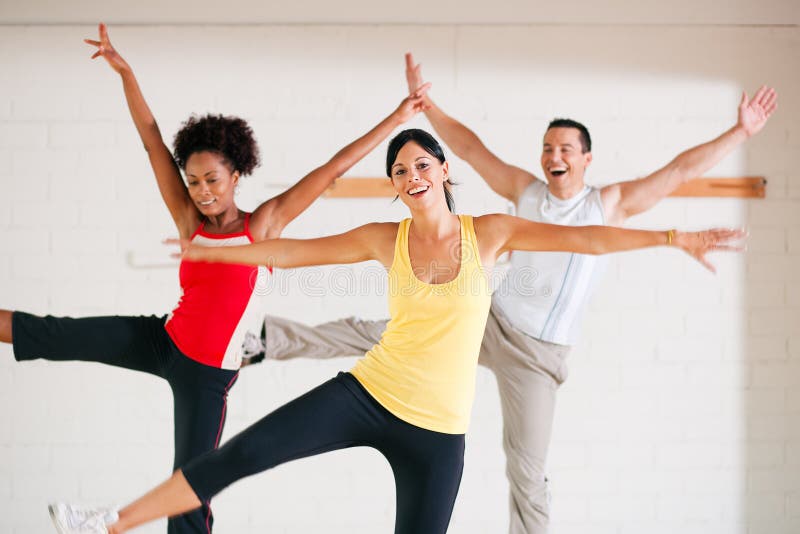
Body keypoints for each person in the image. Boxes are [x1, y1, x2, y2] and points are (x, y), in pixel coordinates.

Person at [49, 128, 744, 534]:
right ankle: (108, 522)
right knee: (237, 459)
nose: (411, 175)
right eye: (399, 170)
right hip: (366, 394)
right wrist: (215, 248)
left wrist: (673, 235)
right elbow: (292, 251)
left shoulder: (491, 233)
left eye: (421, 164)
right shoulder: (385, 238)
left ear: (444, 171)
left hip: (438, 436)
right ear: (397, 187)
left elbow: (587, 239)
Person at [240, 54, 778, 534]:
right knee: (378, 333)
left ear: (587, 158)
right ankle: (264, 341)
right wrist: (429, 108)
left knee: (526, 468)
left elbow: (679, 171)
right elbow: (470, 149)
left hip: (539, 358)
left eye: (566, 148)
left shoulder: (608, 204)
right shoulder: (525, 191)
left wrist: (740, 133)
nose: (554, 155)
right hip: (490, 321)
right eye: (548, 148)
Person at [0, 23, 431, 534]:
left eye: (212, 180)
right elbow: (151, 140)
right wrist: (126, 74)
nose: (202, 192)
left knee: (189, 490)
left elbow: (333, 166)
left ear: (236, 175)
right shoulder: (191, 223)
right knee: (50, 332)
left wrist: (399, 117)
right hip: (162, 339)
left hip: (207, 374)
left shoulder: (263, 225)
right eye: (194, 181)